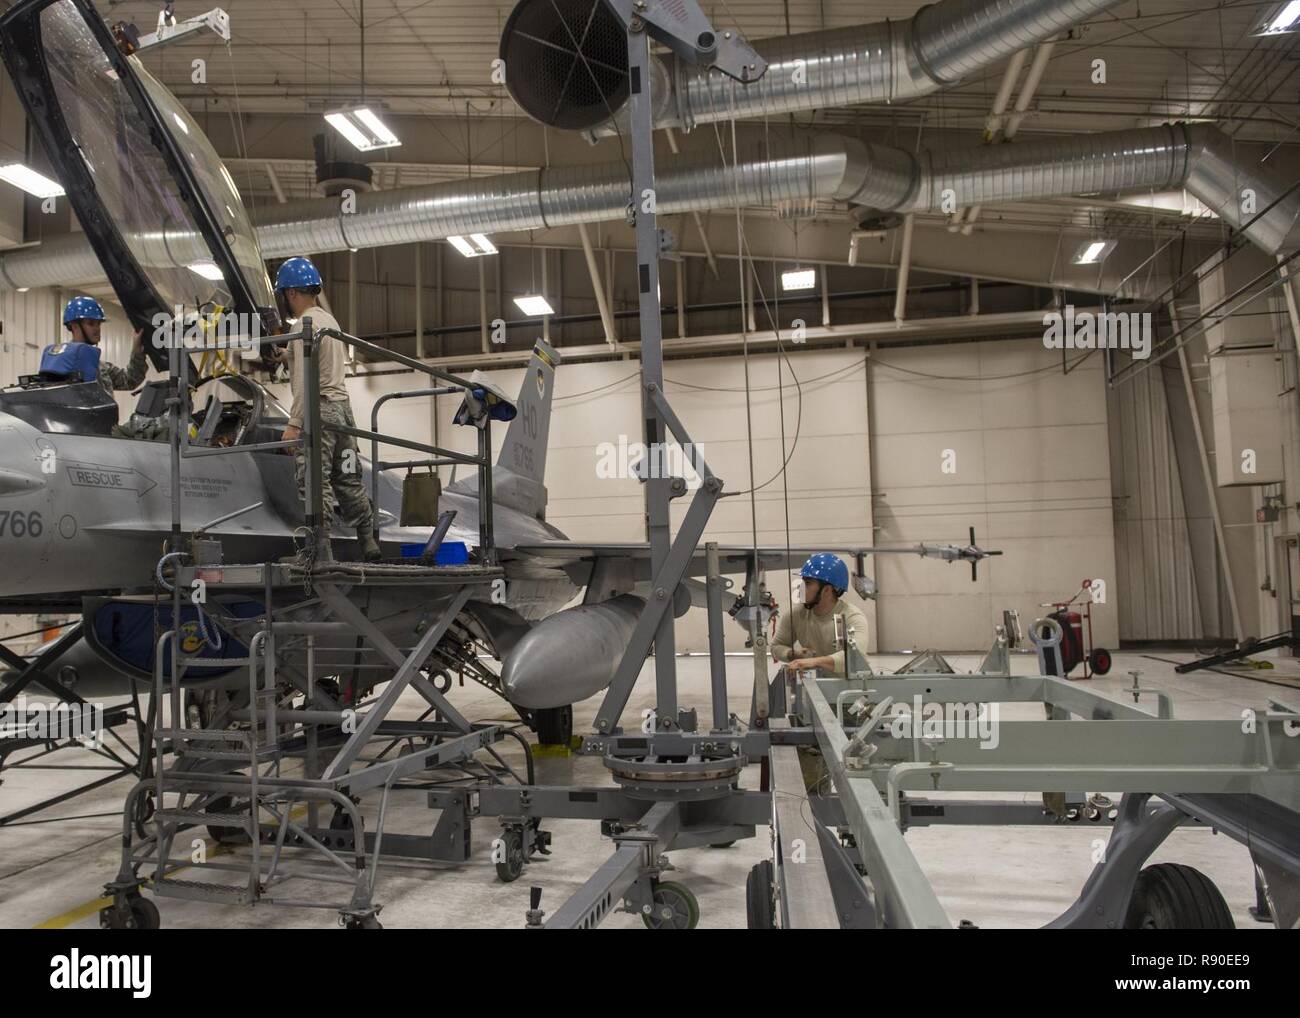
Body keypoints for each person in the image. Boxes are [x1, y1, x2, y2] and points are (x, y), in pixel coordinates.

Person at [274, 256, 381, 563]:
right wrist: (289, 354)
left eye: (285, 295)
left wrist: (294, 423)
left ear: (292, 293)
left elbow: (309, 382)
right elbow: (321, 361)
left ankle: (319, 550)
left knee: (314, 479)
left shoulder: (304, 326)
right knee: (347, 478)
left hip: (318, 411)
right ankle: (368, 542)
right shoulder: (329, 322)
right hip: (343, 413)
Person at [771, 553, 868, 677]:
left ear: (827, 590)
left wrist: (813, 662)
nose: (800, 588)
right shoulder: (796, 614)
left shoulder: (853, 617)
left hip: (852, 691)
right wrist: (793, 654)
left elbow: (854, 657)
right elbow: (776, 647)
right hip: (815, 690)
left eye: (808, 583)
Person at [59, 296, 147, 398]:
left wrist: (137, 351)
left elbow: (129, 380)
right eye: (91, 324)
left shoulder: (100, 367)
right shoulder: (65, 364)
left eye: (98, 324)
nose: (97, 329)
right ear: (74, 326)